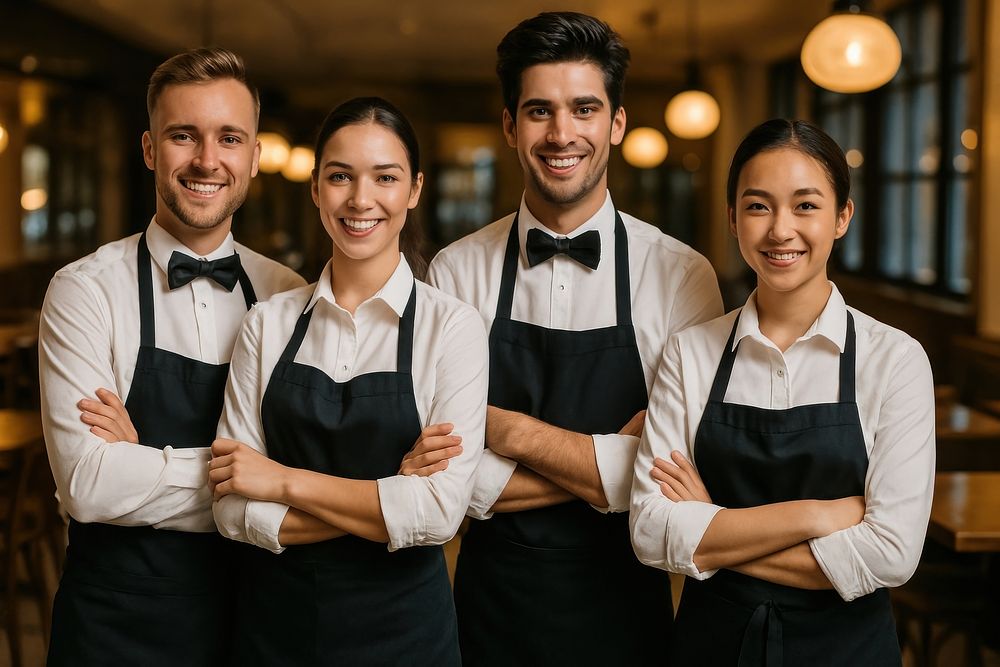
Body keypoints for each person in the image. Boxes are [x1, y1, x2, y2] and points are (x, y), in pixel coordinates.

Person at [427, 11, 723, 665]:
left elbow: (683, 471)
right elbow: (449, 480)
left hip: (629, 613)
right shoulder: (456, 270)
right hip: (489, 614)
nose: (562, 134)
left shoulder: (681, 275)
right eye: (539, 111)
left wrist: (502, 430)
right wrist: (618, 461)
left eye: (584, 108)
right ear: (510, 125)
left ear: (616, 122)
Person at [630, 119, 935, 666]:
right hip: (712, 648)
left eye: (806, 206)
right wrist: (818, 516)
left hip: (849, 651)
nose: (780, 231)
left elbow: (891, 553)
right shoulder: (689, 353)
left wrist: (712, 524)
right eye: (757, 206)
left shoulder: (896, 360)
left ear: (843, 217)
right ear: (732, 219)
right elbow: (652, 532)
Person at [39, 48, 305, 666]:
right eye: (184, 136)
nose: (207, 160)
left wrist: (139, 462)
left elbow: (322, 468)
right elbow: (88, 485)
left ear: (255, 156)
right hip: (116, 627)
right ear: (150, 150)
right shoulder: (84, 289)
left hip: (257, 618)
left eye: (229, 138)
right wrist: (258, 477)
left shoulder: (291, 294)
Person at [209, 96, 486, 666]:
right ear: (315, 189)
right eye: (340, 176)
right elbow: (232, 509)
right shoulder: (267, 324)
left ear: (413, 190)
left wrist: (282, 481)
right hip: (274, 631)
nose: (361, 200)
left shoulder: (453, 327)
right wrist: (386, 497)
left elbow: (437, 514)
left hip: (405, 634)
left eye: (385, 177)